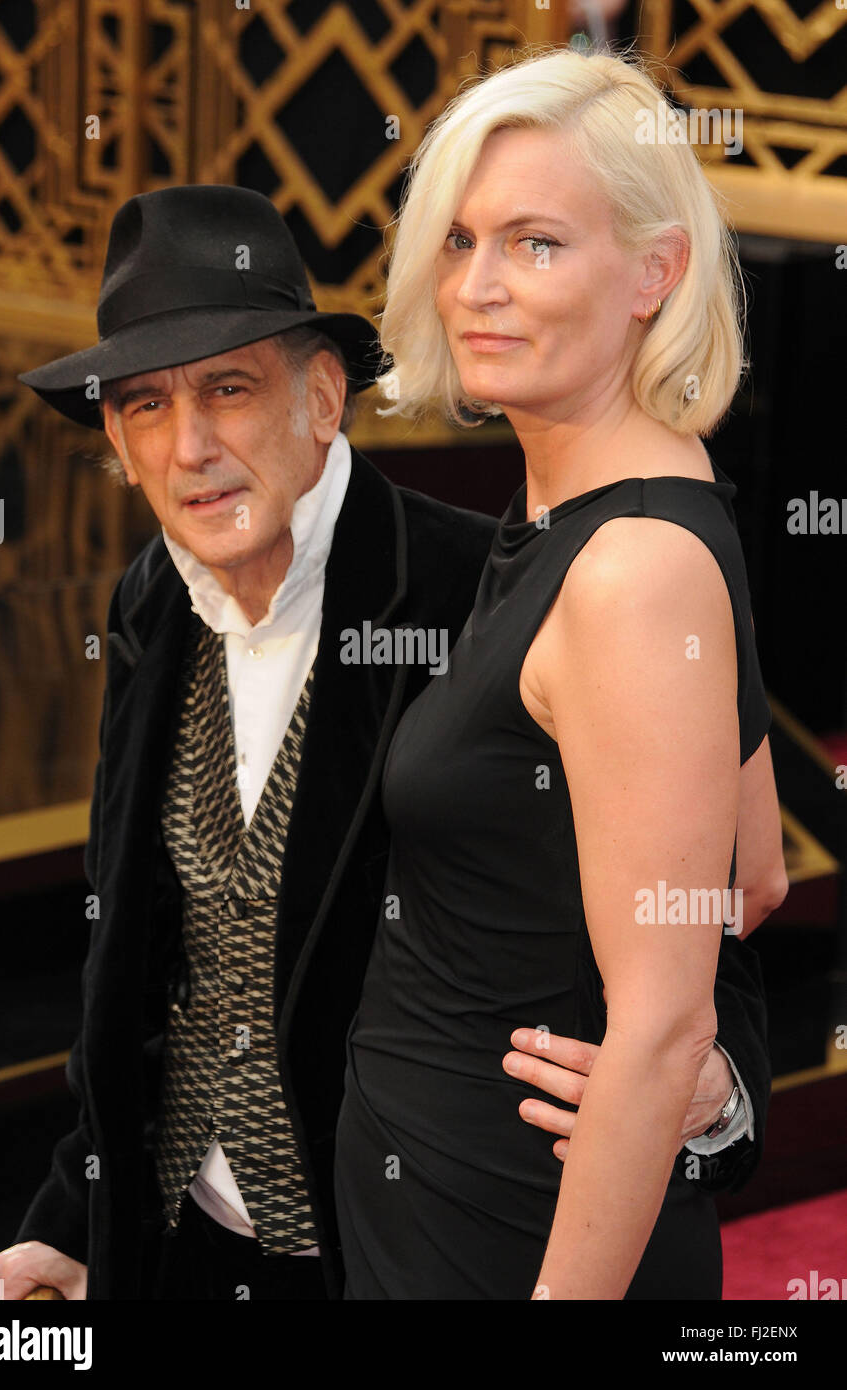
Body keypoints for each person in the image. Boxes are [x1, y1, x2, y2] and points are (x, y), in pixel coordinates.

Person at [0, 182, 773, 1303]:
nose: (192, 446)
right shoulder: (150, 600)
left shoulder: (482, 587)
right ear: (115, 434)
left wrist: (718, 1087)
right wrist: (76, 1213)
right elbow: (148, 952)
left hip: (403, 1251)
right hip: (182, 1246)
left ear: (321, 397)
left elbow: (710, 904)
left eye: (227, 388)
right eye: (147, 407)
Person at [333, 46, 787, 1301]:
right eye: (462, 239)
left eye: (536, 243)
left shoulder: (630, 568)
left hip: (510, 1237)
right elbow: (752, 870)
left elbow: (663, 1012)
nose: (480, 285)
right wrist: (687, 1063)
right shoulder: (633, 497)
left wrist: (667, 1056)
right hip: (455, 1195)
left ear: (658, 273)